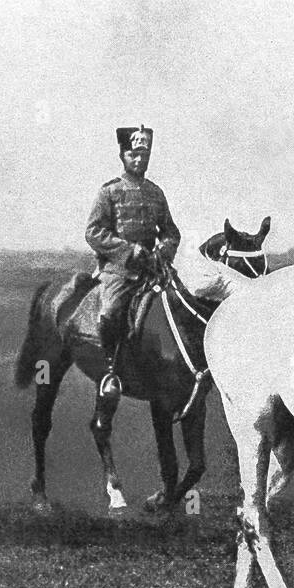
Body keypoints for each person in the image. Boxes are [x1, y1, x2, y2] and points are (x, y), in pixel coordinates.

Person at [85, 125, 181, 398]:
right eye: (133, 155)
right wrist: (128, 251)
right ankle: (110, 370)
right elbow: (93, 232)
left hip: (153, 269)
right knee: (111, 312)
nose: (139, 160)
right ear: (122, 155)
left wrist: (163, 250)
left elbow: (171, 231)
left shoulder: (156, 193)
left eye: (144, 155)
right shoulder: (109, 192)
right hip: (119, 271)